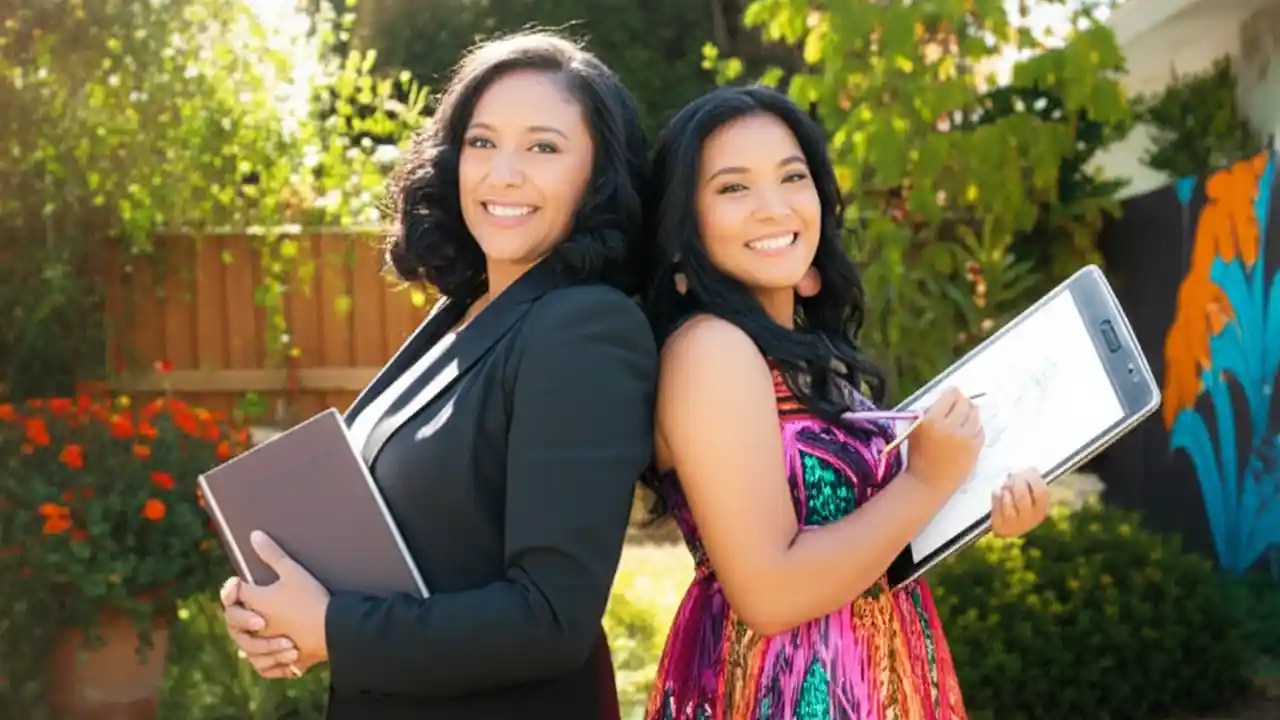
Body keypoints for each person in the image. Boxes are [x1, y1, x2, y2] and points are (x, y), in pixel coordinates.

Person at [215, 30, 656, 719]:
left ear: (599, 175)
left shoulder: (584, 330)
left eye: (543, 146)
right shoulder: (465, 311)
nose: (502, 172)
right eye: (482, 142)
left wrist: (334, 627)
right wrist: (284, 613)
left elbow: (550, 618)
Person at [639, 85, 1052, 720]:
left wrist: (979, 502)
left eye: (791, 177)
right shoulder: (711, 349)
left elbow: (862, 546)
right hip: (776, 690)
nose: (773, 206)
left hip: (874, 676)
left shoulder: (810, 359)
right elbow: (771, 593)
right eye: (733, 188)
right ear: (681, 228)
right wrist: (923, 480)